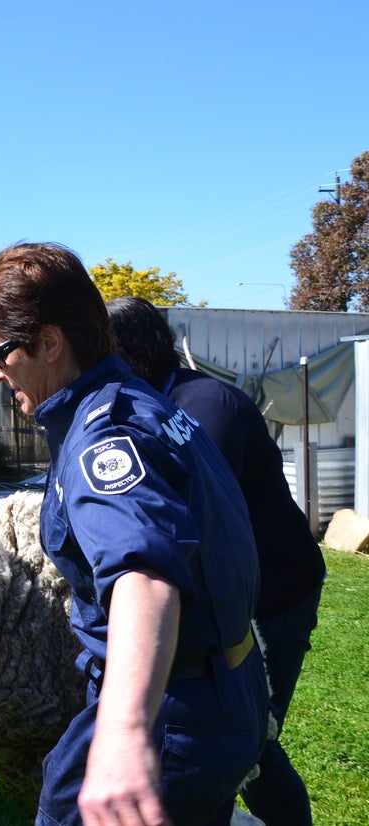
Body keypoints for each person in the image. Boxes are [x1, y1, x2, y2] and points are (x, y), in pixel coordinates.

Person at [0, 243, 270, 826]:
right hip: (218, 688)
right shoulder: (145, 405)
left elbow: (145, 574)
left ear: (50, 343)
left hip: (168, 715)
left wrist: (124, 738)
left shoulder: (105, 441)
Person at [107, 296, 325, 826]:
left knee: (252, 741)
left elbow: (193, 508)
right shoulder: (152, 402)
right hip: (222, 601)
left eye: (103, 350)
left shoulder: (204, 404)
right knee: (234, 738)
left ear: (130, 351)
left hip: (272, 594)